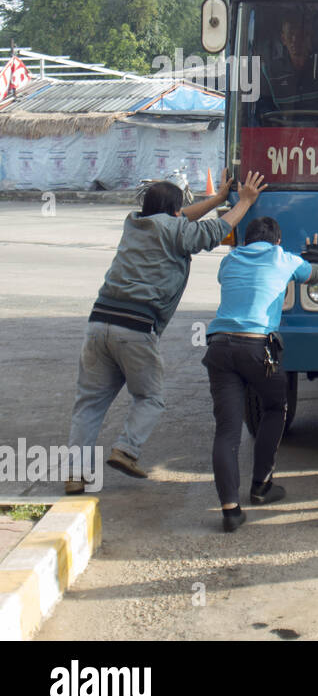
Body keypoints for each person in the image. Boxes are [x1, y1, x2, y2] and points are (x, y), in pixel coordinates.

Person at [65, 171, 266, 493]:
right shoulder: (175, 230)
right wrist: (243, 201)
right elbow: (214, 231)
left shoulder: (134, 223)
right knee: (150, 398)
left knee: (89, 404)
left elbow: (178, 219)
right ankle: (126, 450)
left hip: (98, 323)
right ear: (174, 212)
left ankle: (76, 475)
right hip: (136, 327)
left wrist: (216, 199)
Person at [203, 217, 318, 532]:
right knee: (275, 407)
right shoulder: (282, 258)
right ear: (278, 239)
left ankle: (230, 510)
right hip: (257, 348)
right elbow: (313, 276)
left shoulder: (229, 259)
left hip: (218, 347)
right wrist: (314, 257)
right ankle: (261, 486)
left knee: (227, 431)